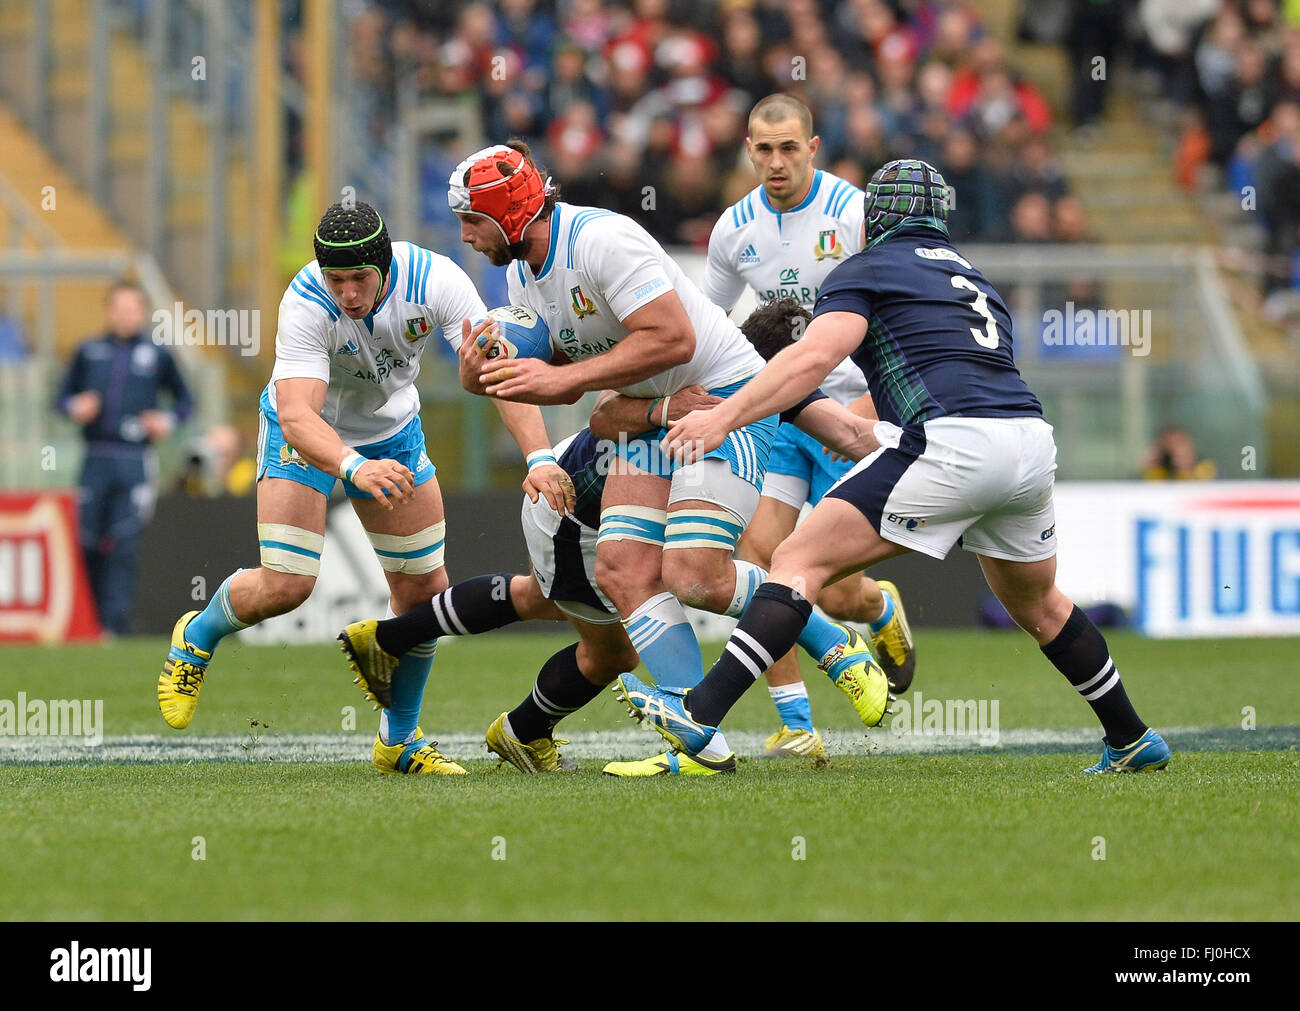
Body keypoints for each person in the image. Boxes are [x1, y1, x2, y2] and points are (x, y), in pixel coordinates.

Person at [623, 159, 1172, 776]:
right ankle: (1131, 736)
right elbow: (860, 432)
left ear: (872, 220)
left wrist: (723, 417)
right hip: (1028, 444)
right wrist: (796, 406)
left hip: (955, 443)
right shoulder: (974, 280)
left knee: (796, 560)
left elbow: (814, 357)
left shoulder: (865, 268)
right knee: (1041, 605)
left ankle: (699, 715)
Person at [451, 142, 888, 776]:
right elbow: (555, 380)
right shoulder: (523, 277)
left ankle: (834, 644)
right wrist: (482, 378)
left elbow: (674, 338)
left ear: (510, 213)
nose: (465, 236)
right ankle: (697, 743)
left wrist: (566, 381)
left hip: (724, 401)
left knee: (695, 576)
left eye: (472, 220)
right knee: (623, 571)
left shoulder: (602, 240)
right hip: (651, 416)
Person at [338, 299, 881, 774]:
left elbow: (848, 432)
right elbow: (604, 415)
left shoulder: (764, 392)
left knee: (565, 606)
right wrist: (660, 410)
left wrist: (917, 457)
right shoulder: (695, 377)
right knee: (615, 639)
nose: (806, 381)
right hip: (571, 514)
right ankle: (700, 729)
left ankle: (400, 644)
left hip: (593, 515)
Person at [155, 201, 565, 775]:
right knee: (287, 585)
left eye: (359, 278)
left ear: (385, 266)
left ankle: (399, 741)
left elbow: (497, 370)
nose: (347, 293)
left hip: (392, 434)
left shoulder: (437, 281)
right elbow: (297, 415)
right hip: (308, 433)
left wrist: (540, 457)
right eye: (336, 279)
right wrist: (353, 467)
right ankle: (197, 634)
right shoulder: (306, 300)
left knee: (423, 592)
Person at [702, 93, 916, 764]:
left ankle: (878, 610)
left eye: (789, 148)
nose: (776, 162)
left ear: (813, 148)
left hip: (855, 412)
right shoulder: (733, 229)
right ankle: (797, 724)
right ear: (748, 149)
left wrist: (872, 407)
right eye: (764, 150)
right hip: (784, 412)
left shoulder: (854, 213)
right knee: (761, 559)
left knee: (832, 587)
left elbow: (899, 315)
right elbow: (709, 328)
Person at [55, 279, 193, 635]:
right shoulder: (88, 351)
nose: (125, 315)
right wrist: (75, 406)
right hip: (94, 457)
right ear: (109, 311)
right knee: (87, 539)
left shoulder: (158, 355)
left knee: (123, 541)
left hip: (135, 459)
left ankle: (113, 626)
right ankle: (95, 620)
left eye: (132, 308)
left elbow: (186, 402)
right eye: (119, 308)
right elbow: (60, 398)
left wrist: (166, 420)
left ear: (142, 313)